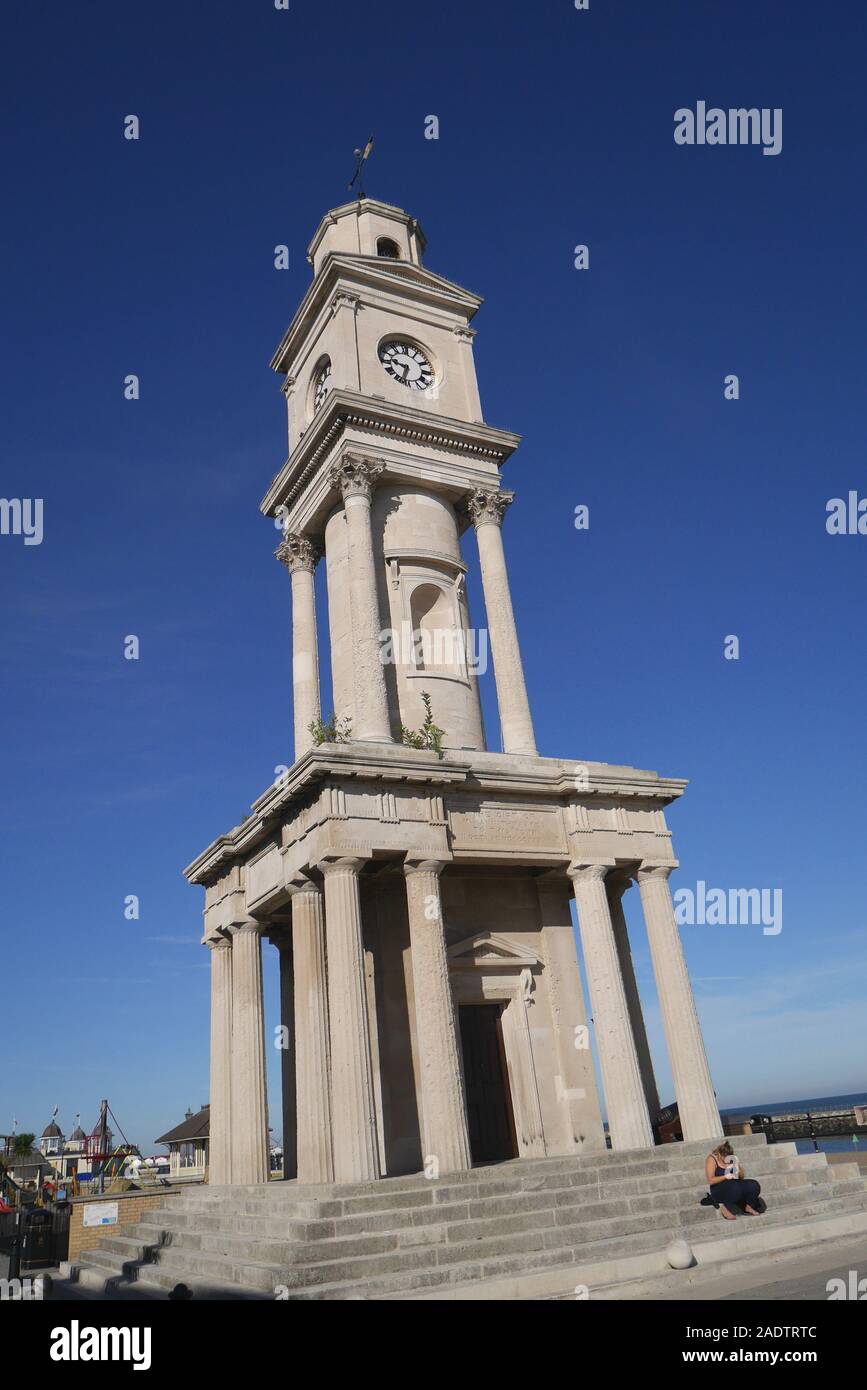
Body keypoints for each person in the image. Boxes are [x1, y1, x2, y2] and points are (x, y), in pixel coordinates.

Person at [705, 1140, 763, 1219]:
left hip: (733, 1186)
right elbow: (710, 1180)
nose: (726, 1160)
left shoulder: (732, 1159)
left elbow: (740, 1177)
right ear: (719, 1154)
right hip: (718, 1189)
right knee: (735, 1187)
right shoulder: (712, 1159)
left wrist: (737, 1169)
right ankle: (725, 1208)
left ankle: (748, 1206)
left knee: (753, 1184)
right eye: (724, 1157)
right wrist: (725, 1176)